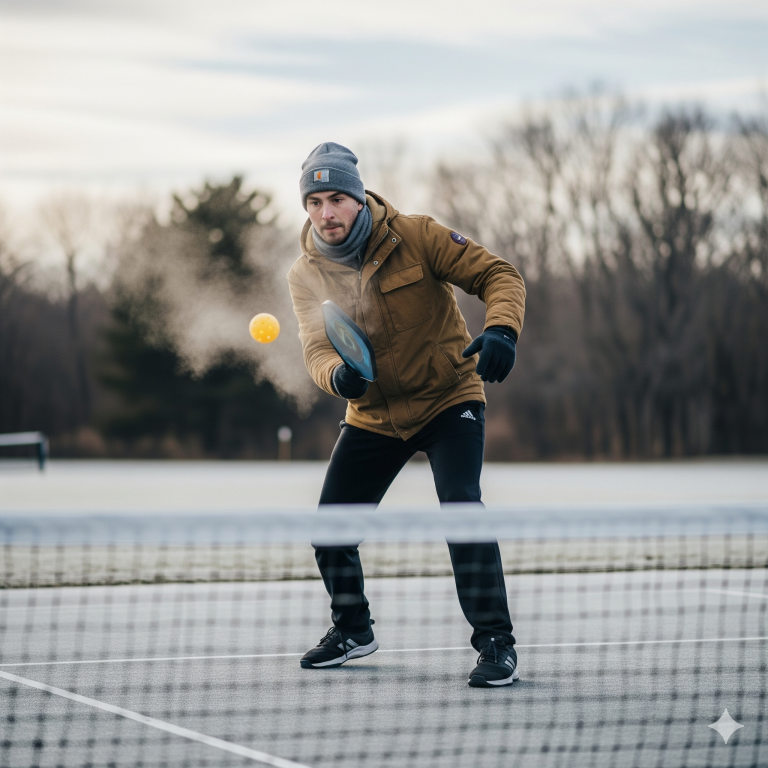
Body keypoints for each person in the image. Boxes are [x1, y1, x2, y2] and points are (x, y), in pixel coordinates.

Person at [287, 142, 526, 687]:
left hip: (448, 398)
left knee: (462, 510)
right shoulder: (305, 275)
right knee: (331, 530)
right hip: (373, 415)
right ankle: (353, 630)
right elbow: (317, 349)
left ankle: (496, 642)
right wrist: (337, 377)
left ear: (358, 198)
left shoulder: (416, 235)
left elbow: (500, 275)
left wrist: (502, 331)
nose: (326, 213)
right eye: (315, 202)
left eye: (336, 199)